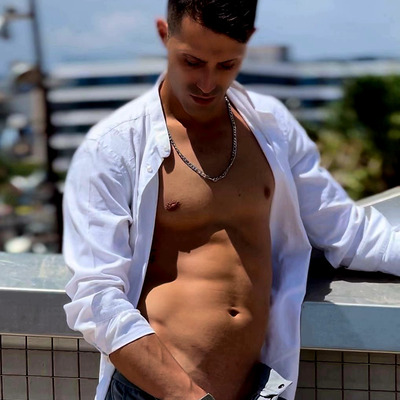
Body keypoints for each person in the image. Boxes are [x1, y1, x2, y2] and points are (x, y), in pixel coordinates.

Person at [62, 1, 400, 399]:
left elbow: (348, 232)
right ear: (164, 35)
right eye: (192, 62)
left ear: (248, 42)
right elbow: (96, 297)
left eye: (226, 65)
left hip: (257, 389)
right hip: (159, 394)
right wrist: (189, 397)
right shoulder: (114, 146)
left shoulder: (270, 126)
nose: (207, 83)